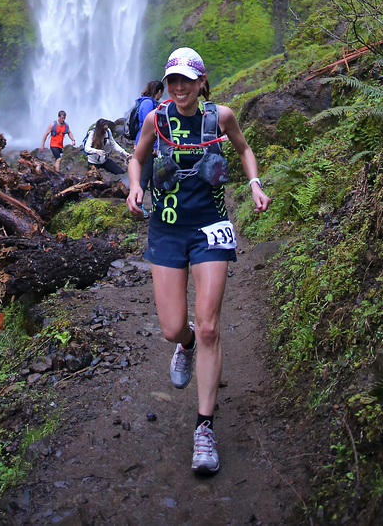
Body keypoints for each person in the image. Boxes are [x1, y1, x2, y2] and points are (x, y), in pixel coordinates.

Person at [127, 46, 270, 476]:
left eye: (187, 79)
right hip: (167, 228)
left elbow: (244, 150)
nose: (179, 87)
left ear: (202, 81)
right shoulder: (157, 119)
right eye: (173, 80)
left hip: (210, 227)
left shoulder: (221, 117)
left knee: (209, 324)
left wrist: (255, 184)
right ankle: (184, 345)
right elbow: (137, 158)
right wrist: (134, 187)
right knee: (175, 327)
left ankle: (204, 428)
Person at [130, 80, 164, 198]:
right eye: (161, 92)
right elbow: (149, 126)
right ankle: (138, 204)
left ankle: (155, 205)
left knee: (154, 174)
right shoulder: (149, 103)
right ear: (159, 91)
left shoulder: (146, 102)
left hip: (146, 142)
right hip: (146, 143)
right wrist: (154, 146)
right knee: (146, 174)